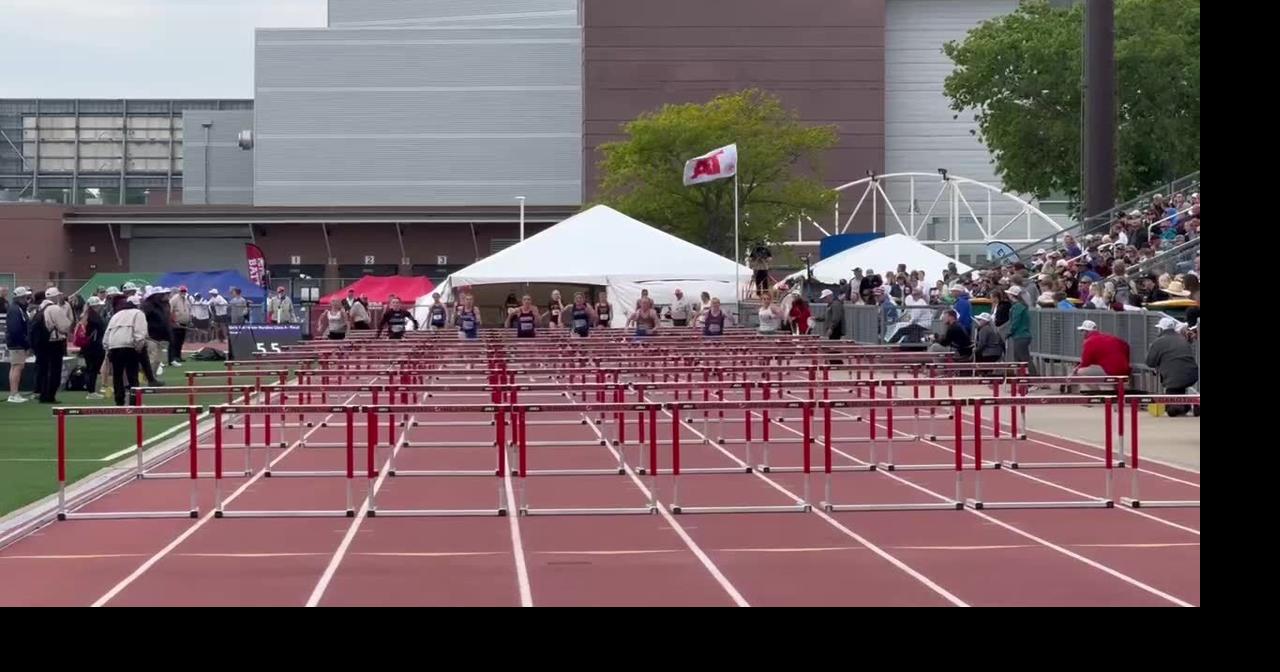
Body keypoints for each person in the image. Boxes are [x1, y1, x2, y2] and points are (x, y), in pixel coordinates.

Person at [1146, 317, 1199, 417]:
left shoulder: (1158, 342)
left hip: (1172, 378)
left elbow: (1150, 362)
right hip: (1191, 375)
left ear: (1161, 329)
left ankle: (1188, 405)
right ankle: (1190, 404)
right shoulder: (1182, 339)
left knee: (1171, 410)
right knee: (1180, 389)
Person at [105, 295, 148, 406]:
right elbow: (140, 332)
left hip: (114, 346)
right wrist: (139, 347)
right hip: (129, 346)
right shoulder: (139, 314)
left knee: (117, 375)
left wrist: (107, 348)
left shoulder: (117, 314)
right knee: (132, 375)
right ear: (138, 304)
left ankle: (119, 401)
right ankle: (134, 402)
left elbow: (107, 333)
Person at [1069, 320, 1130, 393]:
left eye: (1082, 331)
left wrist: (1075, 370)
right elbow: (1126, 345)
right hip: (1125, 369)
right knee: (1109, 367)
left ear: (1086, 331)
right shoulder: (1110, 337)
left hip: (1111, 371)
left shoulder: (1089, 341)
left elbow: (1085, 363)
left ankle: (1097, 393)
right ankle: (1118, 393)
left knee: (1080, 372)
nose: (1082, 333)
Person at [36, 287, 74, 403]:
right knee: (54, 370)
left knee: (43, 369)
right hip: (54, 342)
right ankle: (50, 395)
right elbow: (65, 326)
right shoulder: (54, 309)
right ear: (55, 296)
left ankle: (42, 393)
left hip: (42, 342)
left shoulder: (40, 308)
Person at [77, 296, 108, 400]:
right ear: (95, 306)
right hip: (94, 346)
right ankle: (91, 391)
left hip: (87, 346)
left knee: (90, 368)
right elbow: (101, 329)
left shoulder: (85, 315)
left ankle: (90, 389)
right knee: (93, 369)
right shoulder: (94, 317)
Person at [5, 286, 32, 403]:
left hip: (16, 342)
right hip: (17, 343)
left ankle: (14, 392)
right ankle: (13, 393)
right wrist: (25, 343)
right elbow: (15, 329)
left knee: (15, 366)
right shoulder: (15, 310)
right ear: (20, 297)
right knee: (17, 367)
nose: (27, 298)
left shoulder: (18, 309)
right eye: (25, 296)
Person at [168, 286, 193, 366]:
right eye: (182, 291)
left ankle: (178, 356)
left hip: (184, 323)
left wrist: (190, 320)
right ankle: (174, 357)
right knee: (175, 341)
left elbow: (189, 310)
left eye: (184, 291)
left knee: (180, 341)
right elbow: (170, 310)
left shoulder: (186, 299)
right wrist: (174, 321)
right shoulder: (174, 299)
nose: (183, 292)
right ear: (179, 291)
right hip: (176, 324)